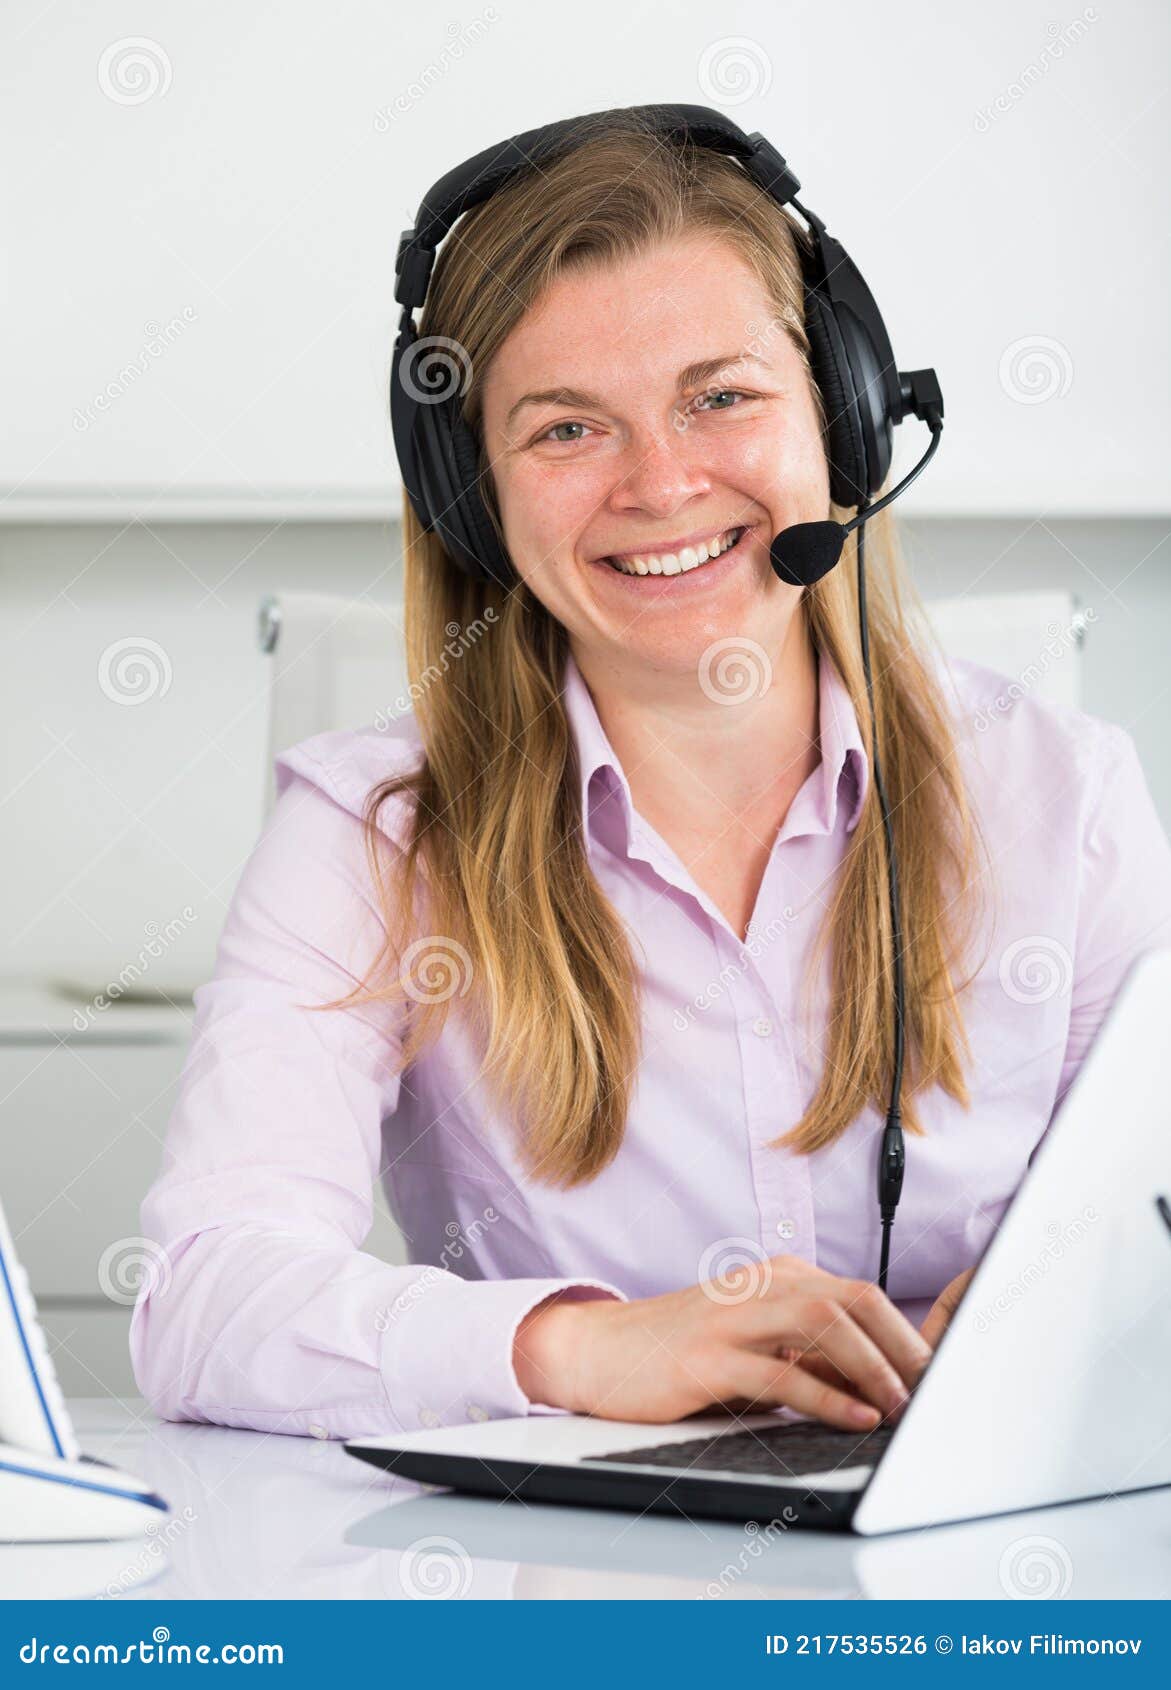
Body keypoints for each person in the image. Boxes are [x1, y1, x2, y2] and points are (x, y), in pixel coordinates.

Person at [130, 114, 1171, 1443]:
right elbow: (205, 1297)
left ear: (843, 421)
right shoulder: (371, 838)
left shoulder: (1064, 800)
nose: (663, 483)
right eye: (568, 428)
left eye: (721, 396)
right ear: (471, 494)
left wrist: (1065, 1314)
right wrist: (582, 1346)